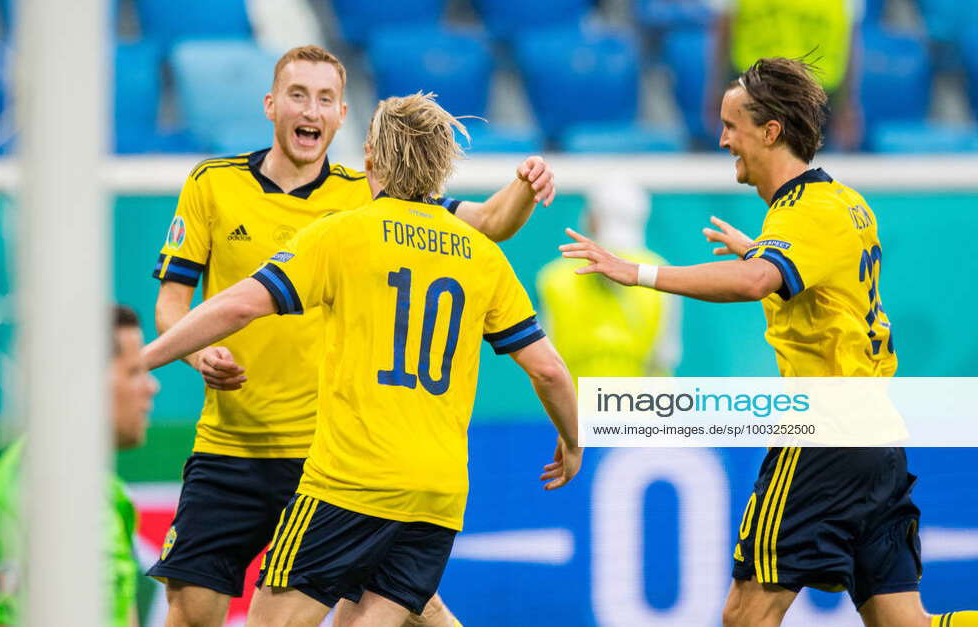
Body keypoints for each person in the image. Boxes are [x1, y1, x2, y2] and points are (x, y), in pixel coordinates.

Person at [560, 57, 977, 627]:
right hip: (875, 436)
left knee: (745, 616)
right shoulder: (842, 203)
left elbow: (757, 281)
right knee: (905, 624)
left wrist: (639, 273)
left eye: (733, 125)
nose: (724, 138)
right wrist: (760, 249)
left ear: (770, 131)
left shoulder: (807, 214)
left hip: (822, 435)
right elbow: (817, 292)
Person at [148, 45, 556, 627]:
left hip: (334, 453)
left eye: (324, 98)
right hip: (233, 445)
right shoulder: (212, 184)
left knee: (408, 611)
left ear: (341, 117)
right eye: (297, 95)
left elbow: (489, 223)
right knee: (191, 610)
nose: (309, 109)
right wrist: (194, 355)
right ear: (271, 104)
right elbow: (172, 306)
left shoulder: (366, 195)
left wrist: (524, 183)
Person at [0, 305, 158, 626]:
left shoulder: (112, 495)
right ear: (82, 382)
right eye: (134, 372)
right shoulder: (4, 502)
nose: (151, 387)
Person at [537, 182, 680, 378]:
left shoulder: (554, 277)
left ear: (590, 219)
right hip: (639, 405)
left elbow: (547, 365)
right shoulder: (661, 272)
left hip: (587, 405)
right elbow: (665, 355)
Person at [704, 0, 864, 151]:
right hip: (761, 91)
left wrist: (846, 104)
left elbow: (849, 37)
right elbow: (724, 27)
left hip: (812, 96)